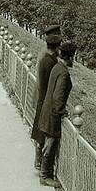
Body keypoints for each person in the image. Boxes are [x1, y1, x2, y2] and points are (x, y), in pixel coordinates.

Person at [35, 39, 76, 185]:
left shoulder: (56, 67)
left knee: (47, 145)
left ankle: (45, 174)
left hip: (47, 112)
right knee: (50, 146)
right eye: (73, 57)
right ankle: (45, 176)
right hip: (53, 116)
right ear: (69, 57)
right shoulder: (64, 73)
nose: (73, 61)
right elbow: (58, 97)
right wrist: (62, 111)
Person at [31, 26, 62, 172]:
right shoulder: (47, 57)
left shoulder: (45, 52)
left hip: (42, 96)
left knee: (40, 129)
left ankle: (39, 161)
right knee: (42, 131)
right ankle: (40, 163)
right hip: (43, 97)